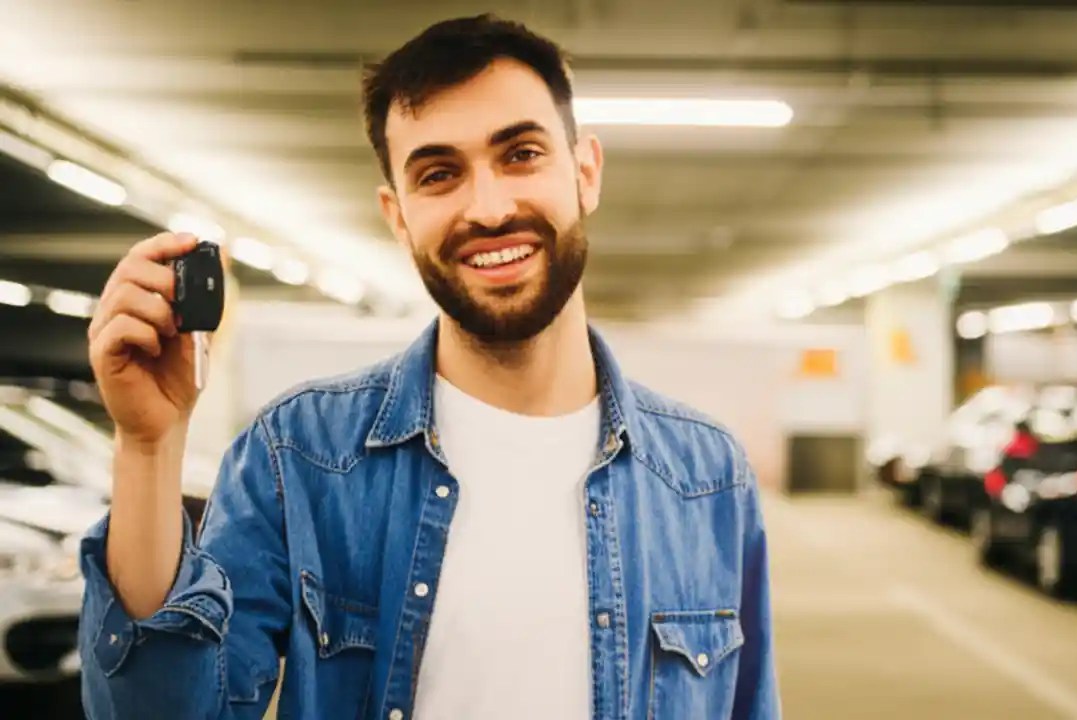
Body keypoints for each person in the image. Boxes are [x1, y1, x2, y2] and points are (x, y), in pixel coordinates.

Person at [79, 13, 779, 720]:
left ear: (585, 171)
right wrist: (148, 448)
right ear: (398, 215)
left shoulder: (706, 476)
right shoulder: (302, 458)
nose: (489, 207)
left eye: (522, 154)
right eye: (439, 174)